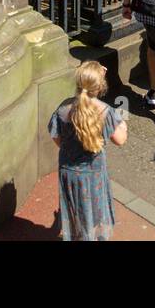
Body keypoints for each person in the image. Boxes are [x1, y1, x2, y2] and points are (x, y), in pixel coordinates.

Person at [48, 60, 128, 242]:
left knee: (75, 212)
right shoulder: (106, 112)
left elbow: (55, 136)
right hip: (93, 173)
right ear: (100, 86)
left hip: (68, 171)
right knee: (93, 212)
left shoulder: (63, 108)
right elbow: (120, 140)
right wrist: (122, 125)